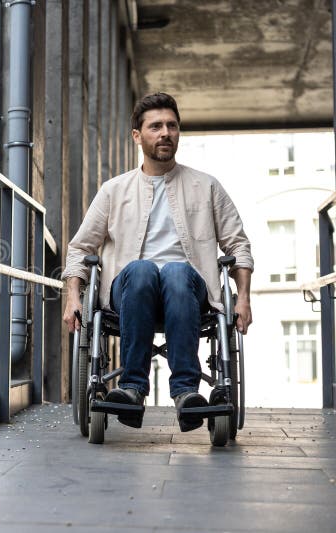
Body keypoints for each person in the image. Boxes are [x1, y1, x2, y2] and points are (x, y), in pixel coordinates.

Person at [61, 92, 253, 432]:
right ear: (137, 136)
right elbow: (79, 248)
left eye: (172, 126)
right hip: (130, 291)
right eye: (156, 126)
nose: (165, 133)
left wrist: (243, 299)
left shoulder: (207, 186)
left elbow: (238, 244)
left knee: (177, 271)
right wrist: (73, 297)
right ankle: (132, 388)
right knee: (142, 269)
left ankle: (186, 392)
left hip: (189, 293)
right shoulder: (113, 191)